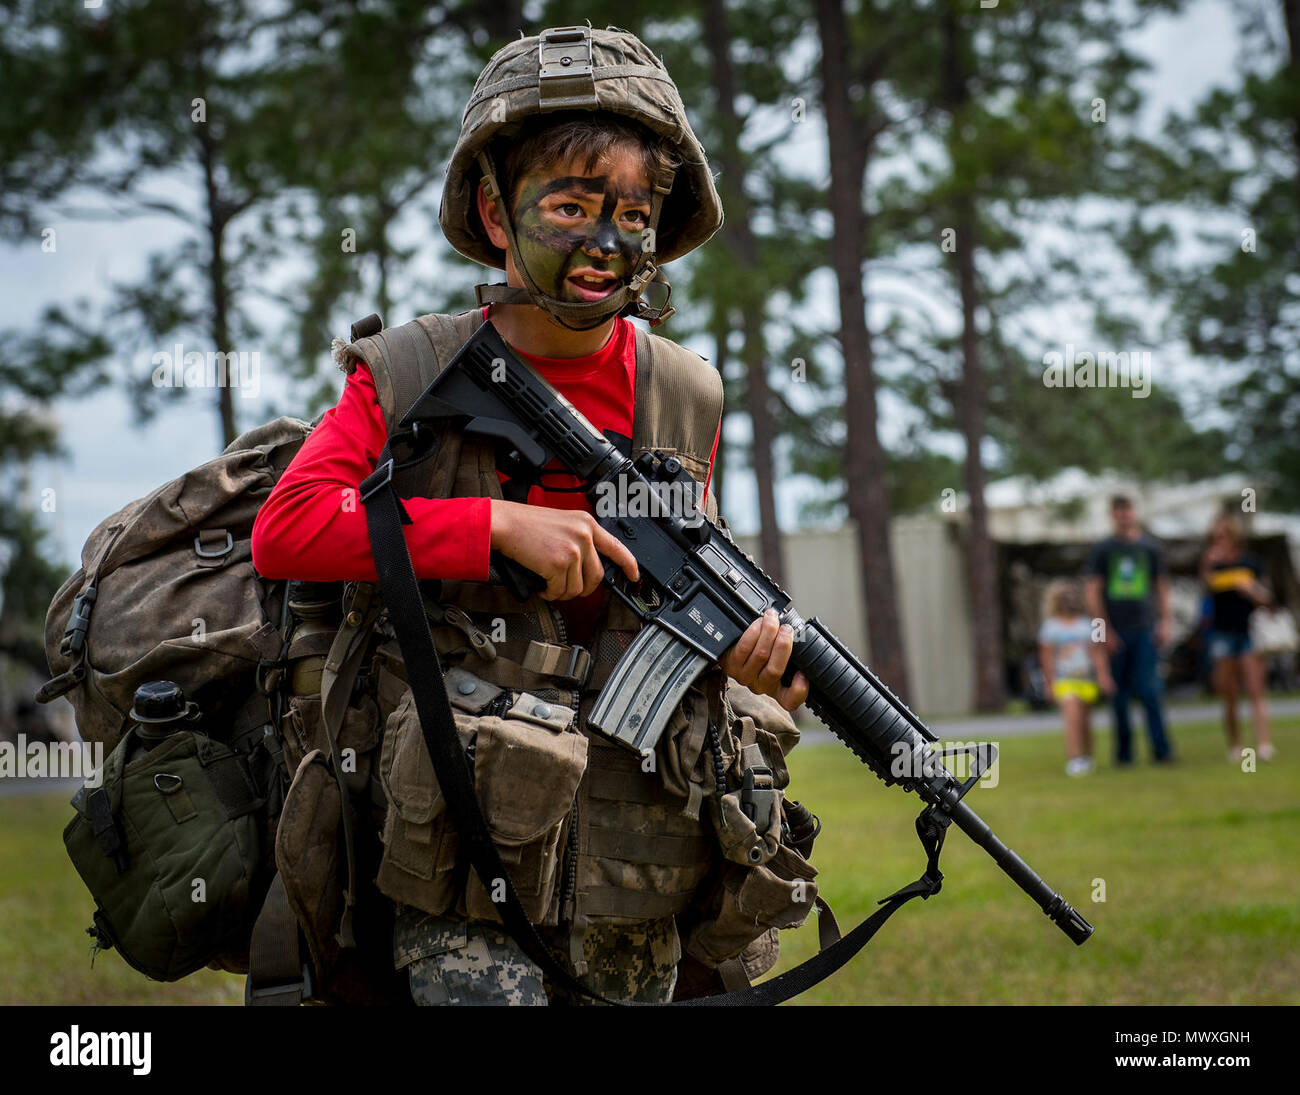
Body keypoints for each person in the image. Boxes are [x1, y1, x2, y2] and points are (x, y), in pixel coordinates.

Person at [252, 25, 810, 1005]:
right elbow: (290, 529)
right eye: (569, 205)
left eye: (634, 214)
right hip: (463, 830)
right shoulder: (418, 371)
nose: (604, 243)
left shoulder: (683, 394)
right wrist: (492, 529)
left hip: (635, 842)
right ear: (493, 210)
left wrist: (746, 662)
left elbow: (669, 587)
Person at [1085, 494, 1174, 765]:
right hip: (1116, 630)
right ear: (1113, 515)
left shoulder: (1150, 548)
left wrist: (1166, 621)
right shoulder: (1103, 550)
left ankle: (1162, 751)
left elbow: (1161, 587)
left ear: (1135, 512)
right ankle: (1124, 755)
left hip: (1144, 628)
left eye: (1128, 510)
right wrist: (1104, 630)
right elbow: (1093, 591)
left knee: (1150, 690)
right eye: (1119, 511)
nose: (1124, 516)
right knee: (1118, 694)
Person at [1200, 513, 1275, 762]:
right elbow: (1205, 591)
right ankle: (1236, 746)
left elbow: (1267, 597)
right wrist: (1208, 565)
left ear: (1234, 537)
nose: (1219, 541)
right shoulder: (1213, 565)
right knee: (1229, 693)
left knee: (1255, 690)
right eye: (1215, 537)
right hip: (1222, 634)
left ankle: (1264, 744)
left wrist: (1250, 589)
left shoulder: (1250, 562)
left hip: (1249, 632)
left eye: (1223, 536)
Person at [1037, 579, 1114, 776]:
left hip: (1086, 679)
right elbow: (1046, 658)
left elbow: (1097, 653)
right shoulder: (1050, 627)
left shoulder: (1089, 624)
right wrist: (1049, 683)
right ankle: (1075, 758)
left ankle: (1087, 756)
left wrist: (1104, 676)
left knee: (1086, 722)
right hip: (1065, 681)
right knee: (1072, 719)